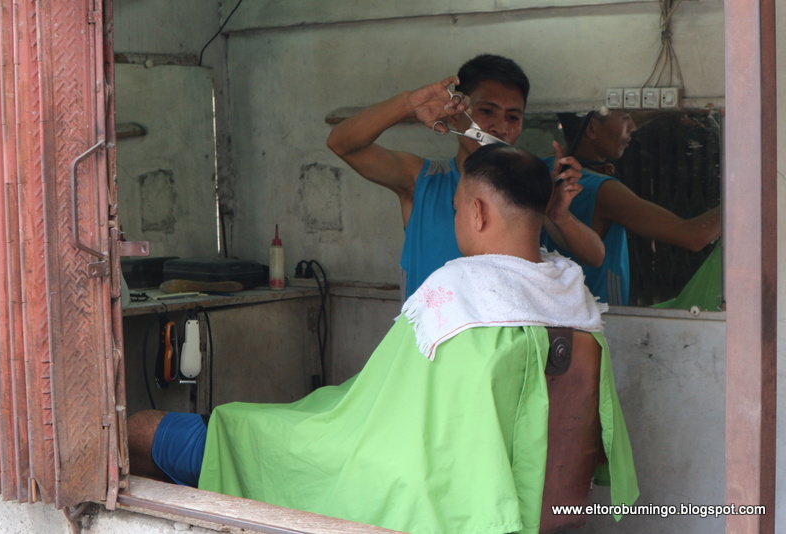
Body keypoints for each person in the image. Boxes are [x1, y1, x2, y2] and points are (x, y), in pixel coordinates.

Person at [128, 145, 638, 534]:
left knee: (146, 429)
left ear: (478, 212)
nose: (458, 217)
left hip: (387, 476)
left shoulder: (458, 292)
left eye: (458, 207)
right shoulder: (576, 302)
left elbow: (367, 422)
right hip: (533, 507)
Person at [326, 53, 605, 298]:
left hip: (498, 349)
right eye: (486, 111)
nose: (500, 127)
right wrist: (409, 104)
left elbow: (595, 256)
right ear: (455, 115)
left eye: (513, 117)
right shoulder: (422, 179)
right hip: (432, 351)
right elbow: (342, 143)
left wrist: (558, 215)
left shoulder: (527, 185)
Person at [544, 109, 722, 305]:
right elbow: (693, 235)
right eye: (626, 118)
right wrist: (745, 199)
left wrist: (665, 111)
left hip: (554, 307)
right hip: (597, 316)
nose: (633, 127)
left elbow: (613, 122)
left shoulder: (543, 170)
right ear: (592, 128)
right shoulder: (603, 190)